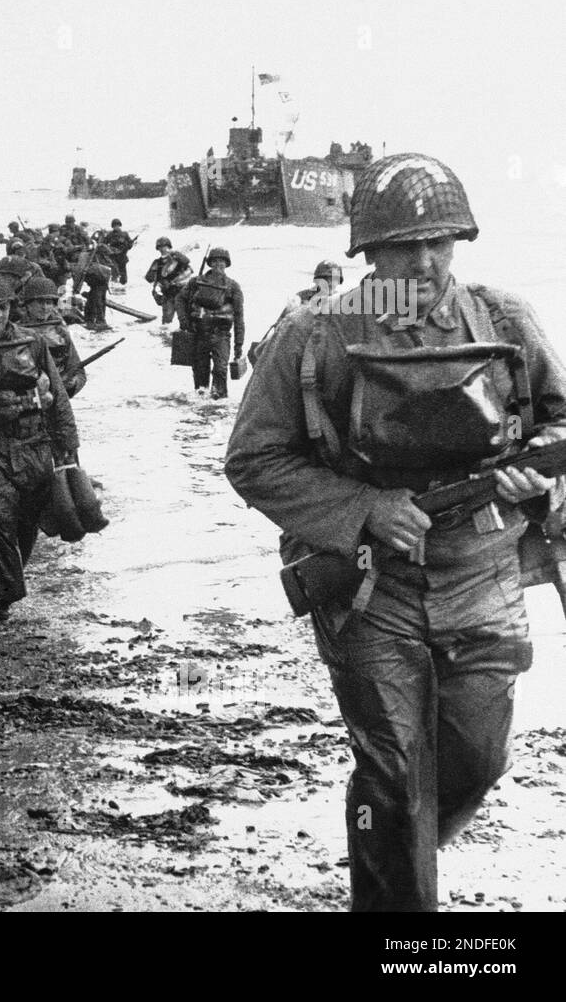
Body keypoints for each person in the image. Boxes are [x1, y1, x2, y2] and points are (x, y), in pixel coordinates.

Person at [224, 152, 566, 912]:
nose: (424, 259)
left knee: (477, 759)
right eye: (404, 245)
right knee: (393, 771)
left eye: (440, 241)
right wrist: (364, 510)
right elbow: (253, 458)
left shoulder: (503, 319)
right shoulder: (313, 335)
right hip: (372, 583)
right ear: (367, 252)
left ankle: (398, 850)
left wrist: (536, 476)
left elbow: (556, 421)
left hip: (483, 568)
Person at [0, 278, 79, 622]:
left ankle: (12, 578)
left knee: (28, 520)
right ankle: (5, 598)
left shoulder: (33, 342)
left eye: (1, 307)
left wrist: (68, 445)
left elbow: (57, 396)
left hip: (35, 444)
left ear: (11, 307)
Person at [248, 260, 344, 367]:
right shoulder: (302, 297)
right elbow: (283, 324)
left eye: (333, 279)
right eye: (326, 279)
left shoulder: (341, 300)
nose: (330, 283)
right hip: (301, 343)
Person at [181, 247, 244, 399]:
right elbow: (180, 299)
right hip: (199, 335)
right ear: (209, 263)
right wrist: (184, 321)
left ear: (227, 264)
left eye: (222, 262)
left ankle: (218, 405)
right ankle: (200, 408)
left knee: (221, 370)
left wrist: (238, 346)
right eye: (215, 261)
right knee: (200, 375)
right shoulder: (196, 282)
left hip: (221, 335)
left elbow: (239, 316)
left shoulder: (232, 286)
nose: (218, 265)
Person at [16, 276, 86, 397]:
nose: (44, 308)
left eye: (48, 303)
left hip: (58, 395)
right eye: (40, 302)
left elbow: (78, 370)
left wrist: (72, 384)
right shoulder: (15, 332)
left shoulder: (60, 331)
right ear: (28, 304)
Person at [145, 236, 193, 326]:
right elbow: (149, 278)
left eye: (165, 246)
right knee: (166, 323)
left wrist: (175, 254)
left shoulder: (178, 259)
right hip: (168, 294)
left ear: (169, 247)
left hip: (181, 293)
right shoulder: (157, 262)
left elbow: (186, 261)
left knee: (184, 320)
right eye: (160, 247)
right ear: (158, 249)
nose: (163, 249)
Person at [105, 219, 134, 285]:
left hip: (122, 256)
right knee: (114, 274)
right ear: (112, 226)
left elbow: (129, 245)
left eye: (117, 225)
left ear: (120, 225)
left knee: (123, 277)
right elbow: (104, 244)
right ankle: (115, 287)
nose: (116, 227)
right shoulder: (110, 235)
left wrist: (129, 245)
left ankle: (122, 288)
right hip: (113, 257)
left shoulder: (124, 234)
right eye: (115, 226)